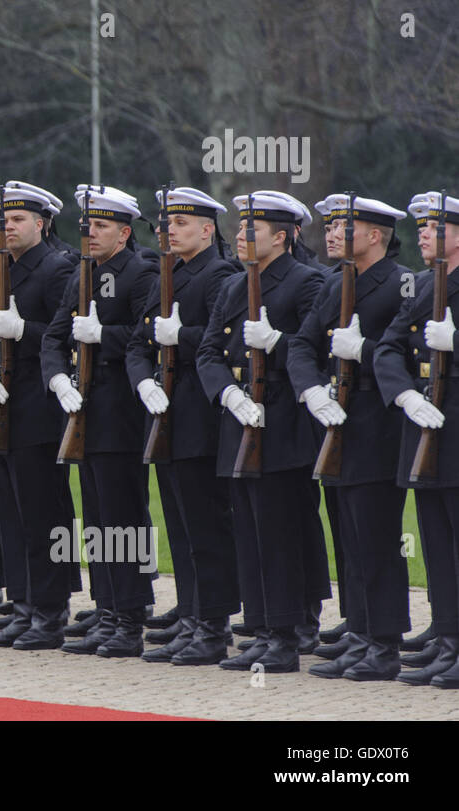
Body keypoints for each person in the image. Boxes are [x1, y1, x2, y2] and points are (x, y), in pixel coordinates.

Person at [197, 190, 330, 672]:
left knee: (280, 530)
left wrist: (277, 342)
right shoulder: (236, 287)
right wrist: (227, 396)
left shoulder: (306, 282)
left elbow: (317, 351)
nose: (240, 235)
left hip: (285, 423)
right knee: (250, 531)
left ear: (282, 236)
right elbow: (208, 352)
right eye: (239, 226)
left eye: (251, 228)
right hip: (241, 419)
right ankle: (263, 627)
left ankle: (288, 629)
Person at [289, 193, 411, 680]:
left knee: (377, 536)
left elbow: (411, 350)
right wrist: (311, 389)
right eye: (332, 224)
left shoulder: (401, 283)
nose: (334, 233)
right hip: (334, 419)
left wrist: (365, 349)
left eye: (346, 225)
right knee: (350, 536)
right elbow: (301, 343)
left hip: (378, 423)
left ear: (375, 235)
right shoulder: (339, 282)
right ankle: (360, 632)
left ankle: (384, 643)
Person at [0, 182, 79, 649]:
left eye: (18, 220)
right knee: (10, 511)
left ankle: (50, 611)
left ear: (42, 223)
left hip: (37, 404)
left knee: (41, 511)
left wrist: (24, 330)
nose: (7, 228)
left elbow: (64, 336)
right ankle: (25, 603)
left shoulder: (57, 268)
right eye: (3, 221)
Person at [126, 186, 241, 664]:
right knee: (181, 522)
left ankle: (212, 625)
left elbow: (224, 343)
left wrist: (183, 338)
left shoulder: (220, 275)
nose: (169, 231)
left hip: (200, 415)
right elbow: (138, 343)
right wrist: (143, 385)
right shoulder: (166, 276)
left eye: (181, 224)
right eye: (167, 224)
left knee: (205, 524)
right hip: (165, 412)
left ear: (208, 229)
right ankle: (193, 615)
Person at [41, 184, 157, 657]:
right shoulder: (84, 273)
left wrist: (102, 336)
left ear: (125, 233)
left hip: (120, 412)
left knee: (121, 515)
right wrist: (58, 381)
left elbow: (147, 335)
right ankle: (108, 607)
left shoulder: (141, 271)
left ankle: (129, 616)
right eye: (88, 225)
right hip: (83, 408)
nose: (90, 233)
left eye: (102, 226)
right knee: (96, 518)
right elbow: (53, 336)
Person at [374, 191, 459, 688]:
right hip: (425, 426)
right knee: (437, 541)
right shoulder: (425, 286)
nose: (423, 234)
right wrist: (404, 395)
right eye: (423, 227)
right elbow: (388, 347)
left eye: (436, 227)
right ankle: (448, 639)